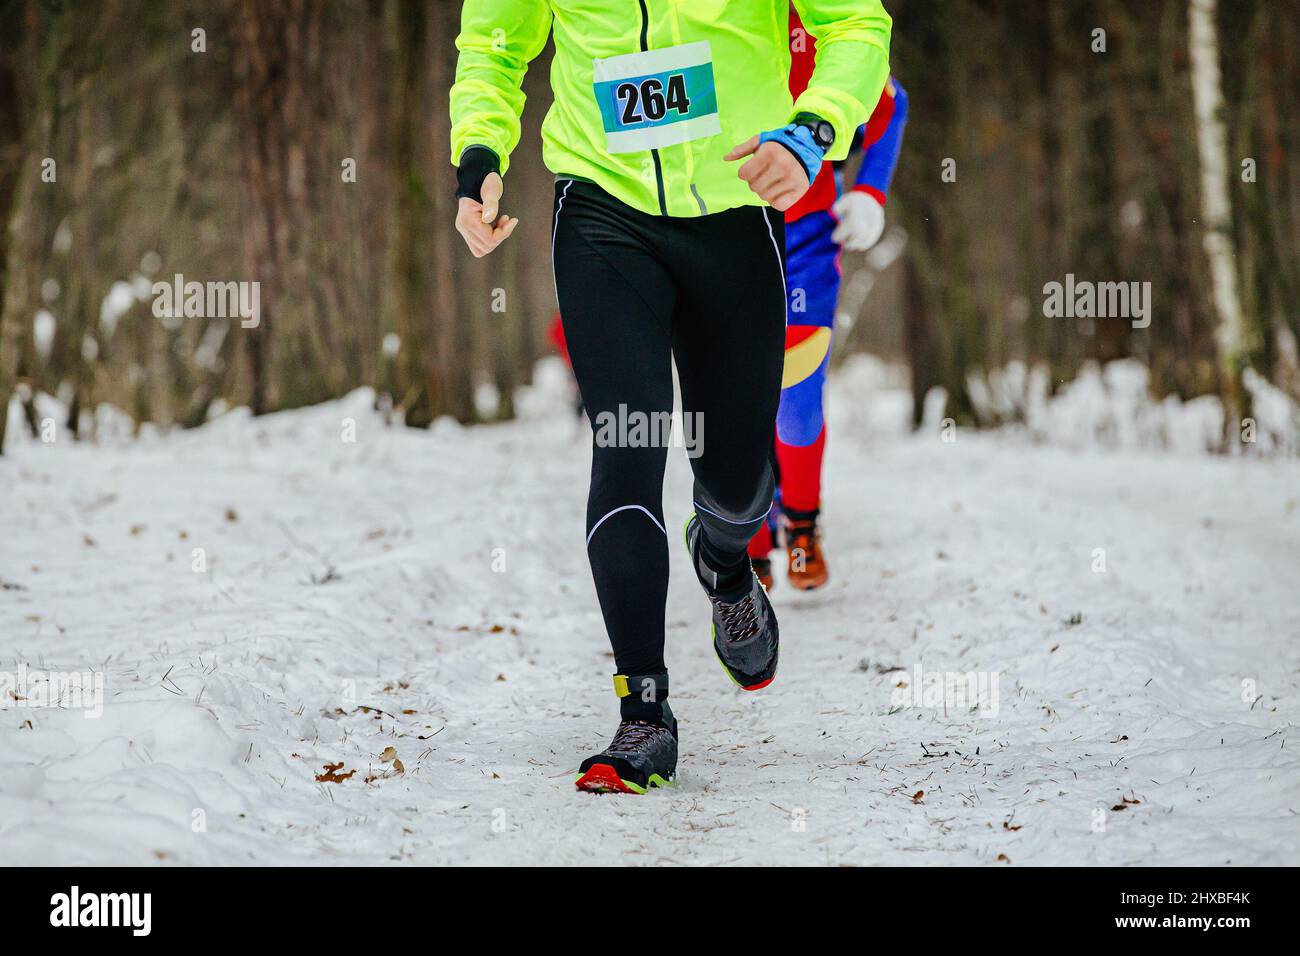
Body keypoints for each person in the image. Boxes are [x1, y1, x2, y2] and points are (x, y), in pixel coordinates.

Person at [450, 1, 892, 794]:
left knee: (737, 487)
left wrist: (815, 128)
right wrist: (479, 150)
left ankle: (724, 564)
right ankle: (643, 714)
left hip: (735, 209)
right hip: (600, 207)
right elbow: (493, 42)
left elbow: (857, 25)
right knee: (626, 439)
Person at [748, 9, 909, 592]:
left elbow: (889, 101)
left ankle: (802, 527)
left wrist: (870, 189)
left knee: (794, 391)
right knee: (735, 390)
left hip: (808, 237)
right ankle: (751, 544)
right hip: (724, 228)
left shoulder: (824, 16)